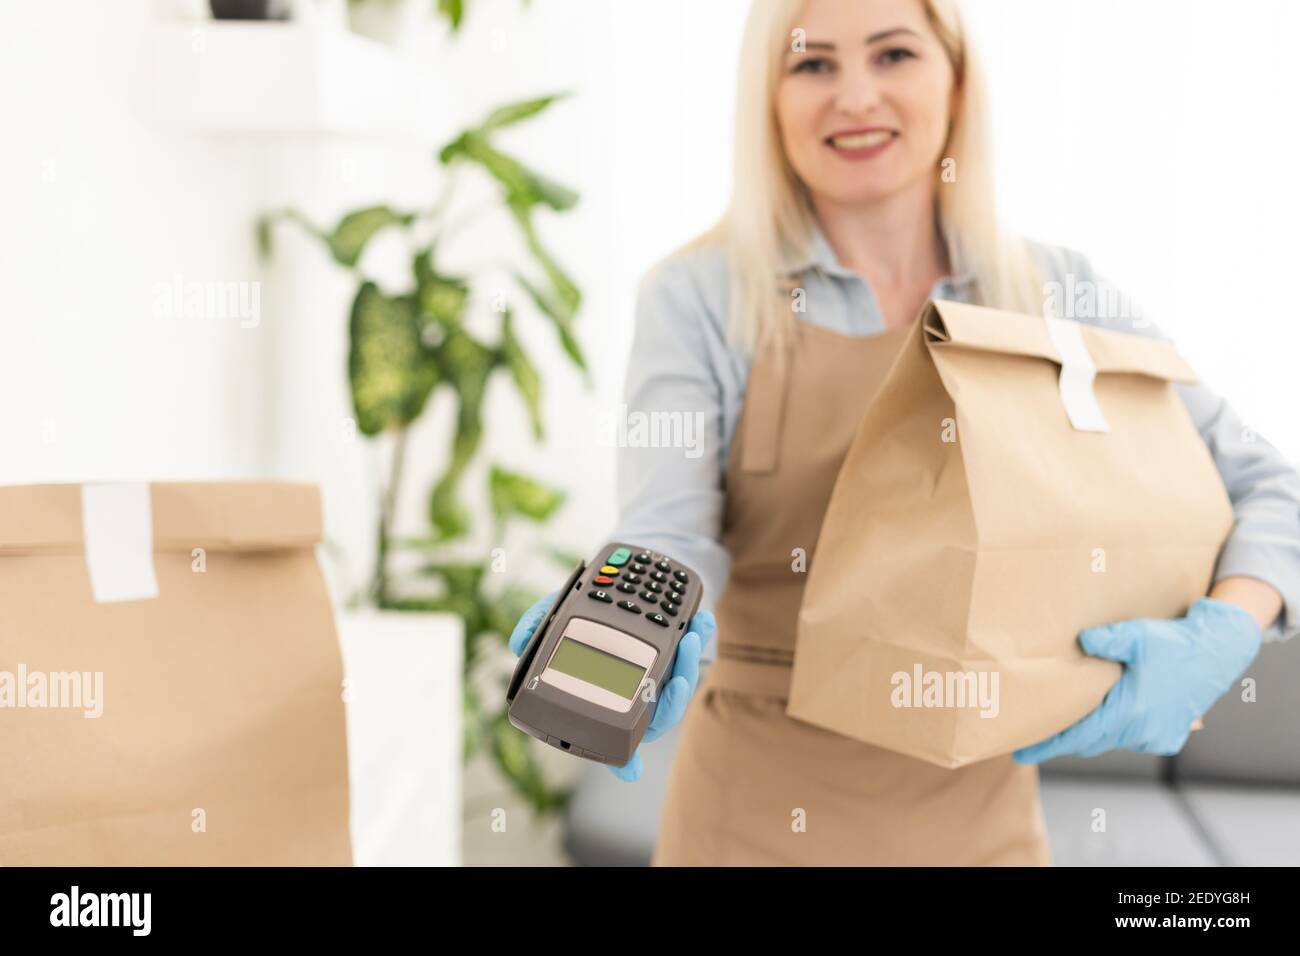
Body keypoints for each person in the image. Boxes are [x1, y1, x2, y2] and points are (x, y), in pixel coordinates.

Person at [509, 0, 1300, 865]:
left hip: (986, 824)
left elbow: (1268, 485)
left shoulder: (1050, 292)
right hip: (753, 816)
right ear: (767, 95)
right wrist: (635, 616)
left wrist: (1224, 632)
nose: (855, 96)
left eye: (893, 55)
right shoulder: (700, 295)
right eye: (812, 64)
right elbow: (669, 529)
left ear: (956, 79)